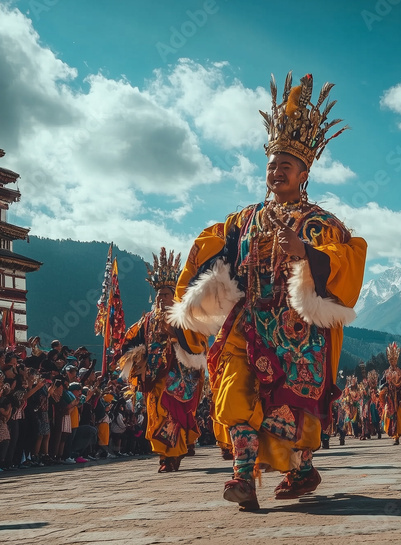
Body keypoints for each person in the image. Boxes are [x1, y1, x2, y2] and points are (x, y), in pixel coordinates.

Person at [168, 72, 365, 511]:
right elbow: (211, 249)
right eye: (272, 164)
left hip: (297, 329)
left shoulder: (320, 221)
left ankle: (299, 468)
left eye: (286, 166)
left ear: (304, 173)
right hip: (247, 321)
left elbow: (347, 258)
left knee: (289, 407)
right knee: (233, 391)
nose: (276, 172)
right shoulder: (243, 218)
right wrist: (191, 296)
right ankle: (242, 476)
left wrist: (305, 253)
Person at [119, 248, 205, 473]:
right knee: (156, 416)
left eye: (165, 294)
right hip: (153, 377)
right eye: (158, 295)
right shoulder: (146, 320)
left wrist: (176, 336)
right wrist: (135, 356)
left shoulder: (183, 317)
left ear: (173, 296)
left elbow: (198, 342)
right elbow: (129, 340)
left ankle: (173, 455)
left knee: (173, 413)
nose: (160, 298)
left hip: (177, 376)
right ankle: (164, 455)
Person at [378, 343, 401, 446]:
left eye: (394, 360)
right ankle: (394, 435)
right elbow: (381, 384)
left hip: (399, 397)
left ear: (396, 360)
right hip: (390, 398)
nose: (392, 362)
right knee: (389, 415)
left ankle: (400, 434)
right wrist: (384, 388)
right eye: (390, 360)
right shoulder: (386, 373)